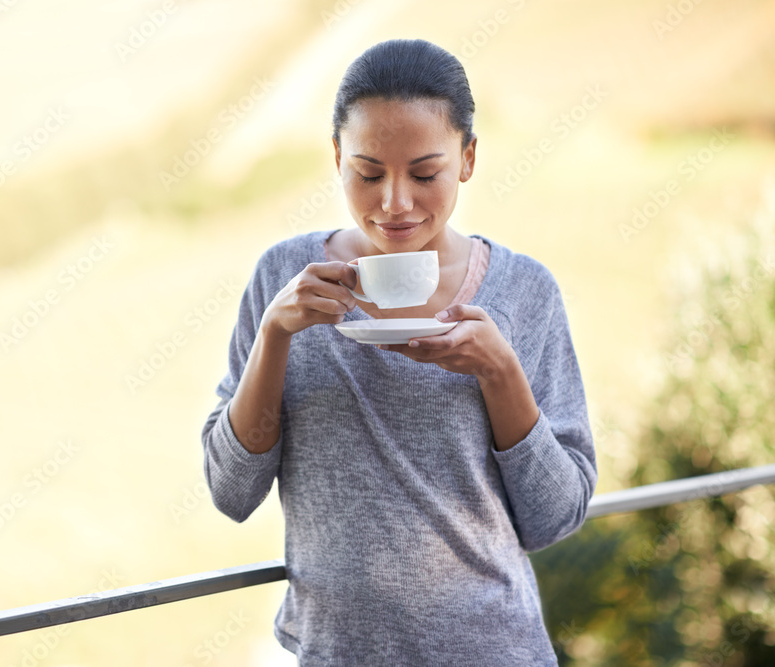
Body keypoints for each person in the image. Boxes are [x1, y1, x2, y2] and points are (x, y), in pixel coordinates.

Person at [200, 38, 597, 666]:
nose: (395, 203)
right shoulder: (283, 277)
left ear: (467, 159)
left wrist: (501, 372)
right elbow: (231, 491)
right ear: (336, 158)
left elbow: (555, 517)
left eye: (424, 172)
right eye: (368, 172)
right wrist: (275, 335)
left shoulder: (525, 292)